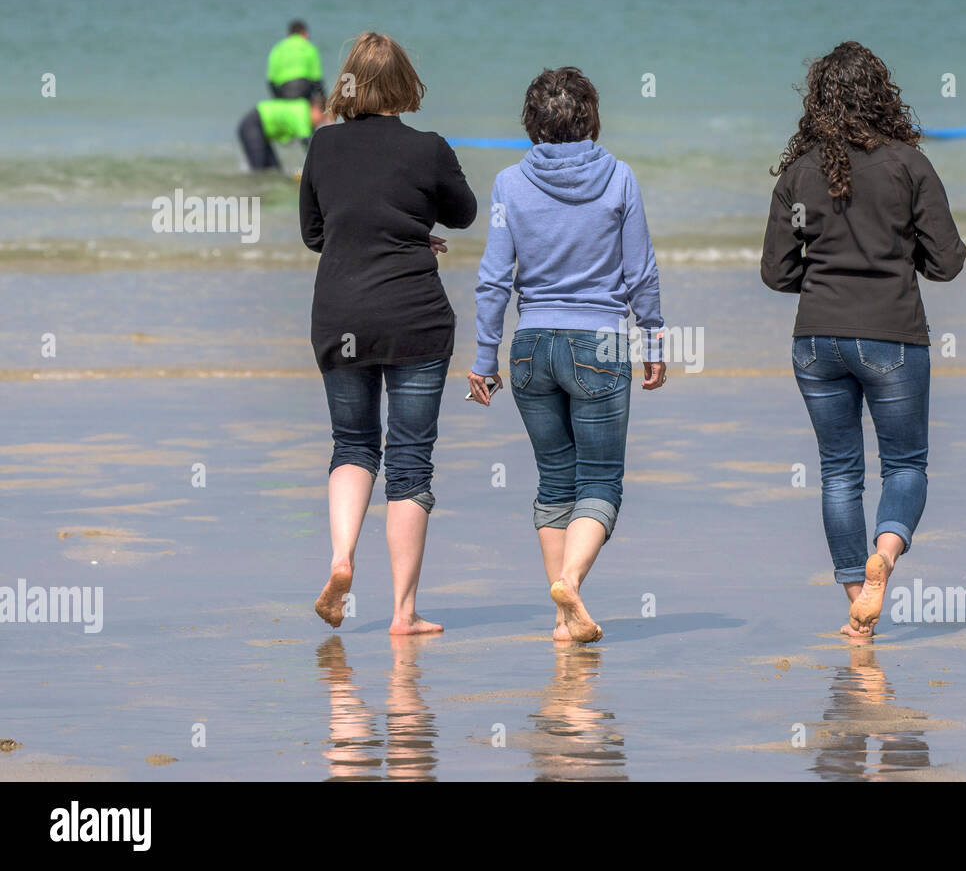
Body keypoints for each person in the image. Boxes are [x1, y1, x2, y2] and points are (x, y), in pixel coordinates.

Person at [761, 41, 966, 638]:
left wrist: (825, 278)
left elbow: (777, 271)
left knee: (838, 473)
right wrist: (899, 261)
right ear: (883, 94)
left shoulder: (800, 173)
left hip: (816, 340)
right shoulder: (908, 164)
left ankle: (858, 602)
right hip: (892, 336)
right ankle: (886, 556)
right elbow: (947, 261)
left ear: (817, 100)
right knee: (905, 465)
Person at [469, 67, 667, 645]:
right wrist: (653, 339)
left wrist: (485, 358)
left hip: (531, 345)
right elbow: (642, 272)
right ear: (592, 117)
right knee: (601, 479)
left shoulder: (508, 183)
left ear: (531, 123)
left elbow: (492, 280)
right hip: (600, 343)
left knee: (554, 480)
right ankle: (571, 583)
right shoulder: (621, 178)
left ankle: (563, 618)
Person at [301, 32, 478, 635]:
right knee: (410, 463)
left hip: (341, 314)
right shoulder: (427, 148)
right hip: (414, 318)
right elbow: (464, 213)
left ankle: (341, 558)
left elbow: (315, 232)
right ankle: (403, 612)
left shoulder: (322, 146)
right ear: (405, 85)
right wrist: (407, 234)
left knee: (351, 445)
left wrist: (375, 232)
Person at [236, 95, 327, 172]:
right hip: (253, 124)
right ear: (316, 109)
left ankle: (263, 191)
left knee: (274, 170)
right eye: (322, 117)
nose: (321, 122)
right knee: (259, 169)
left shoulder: (303, 109)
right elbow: (310, 146)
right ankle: (252, 190)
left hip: (261, 131)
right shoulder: (301, 113)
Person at [267, 19, 324, 101]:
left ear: (289, 34)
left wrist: (278, 99)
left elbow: (271, 80)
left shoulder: (277, 48)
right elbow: (317, 80)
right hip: (304, 90)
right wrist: (324, 101)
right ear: (304, 33)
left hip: (283, 91)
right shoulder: (309, 47)